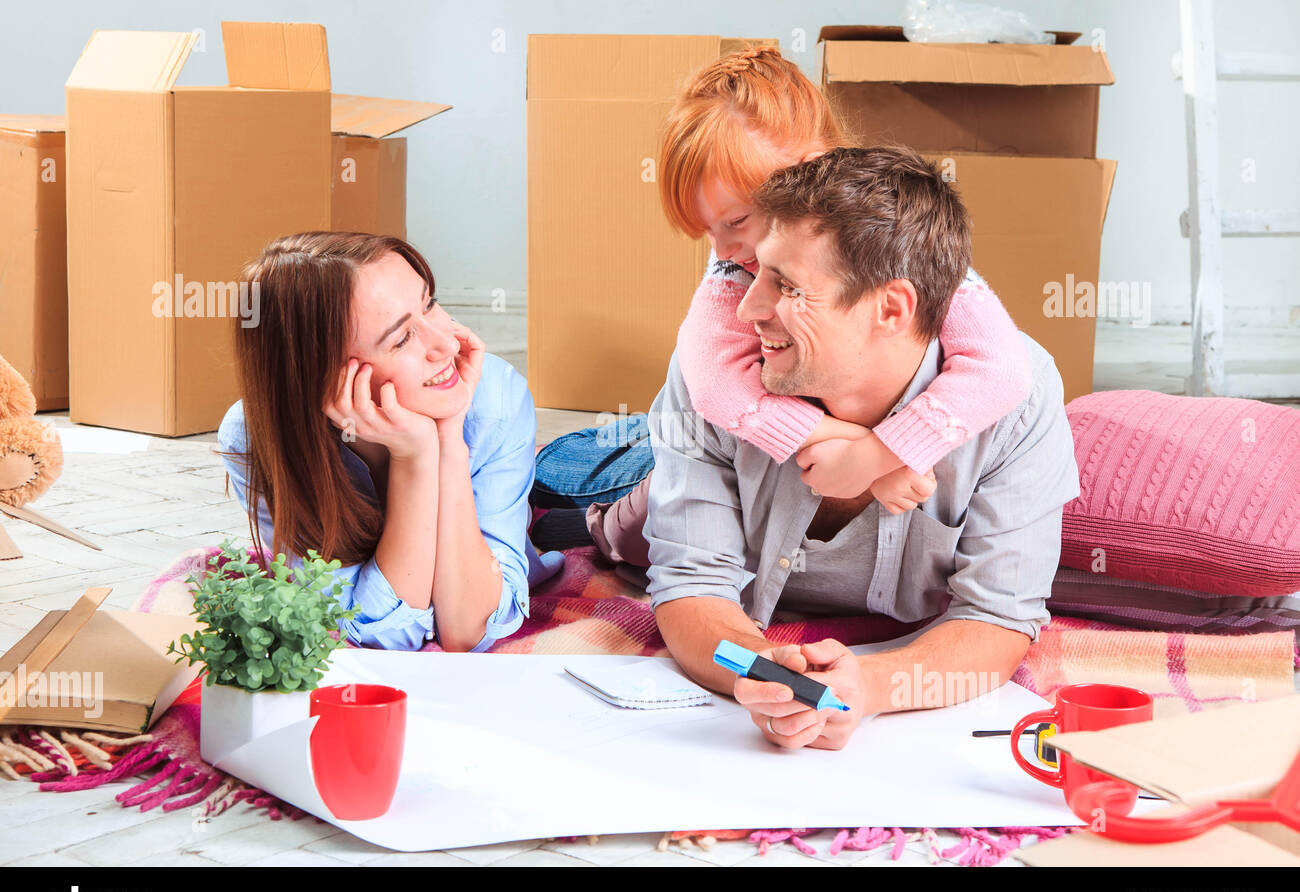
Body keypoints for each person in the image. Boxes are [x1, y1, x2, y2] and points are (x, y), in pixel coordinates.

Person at [645, 147, 1081, 750]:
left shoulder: (1017, 397)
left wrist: (870, 685)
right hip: (635, 483)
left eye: (788, 286)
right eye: (755, 273)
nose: (748, 307)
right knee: (605, 509)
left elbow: (999, 616)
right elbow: (690, 584)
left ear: (891, 308)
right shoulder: (713, 367)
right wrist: (764, 674)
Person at [565, 46, 1033, 566]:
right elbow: (713, 386)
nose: (720, 252)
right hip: (705, 439)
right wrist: (854, 451)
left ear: (807, 174)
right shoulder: (729, 269)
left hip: (762, 437)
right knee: (628, 525)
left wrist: (882, 453)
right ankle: (592, 510)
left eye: (737, 222)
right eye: (708, 230)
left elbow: (1005, 369)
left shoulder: (898, 249)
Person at [217, 232, 563, 653]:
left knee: (598, 488)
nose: (448, 343)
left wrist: (449, 438)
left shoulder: (494, 396)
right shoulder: (257, 437)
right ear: (325, 379)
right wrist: (415, 459)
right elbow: (367, 633)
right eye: (401, 339)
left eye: (430, 303)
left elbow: (469, 630)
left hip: (564, 473)